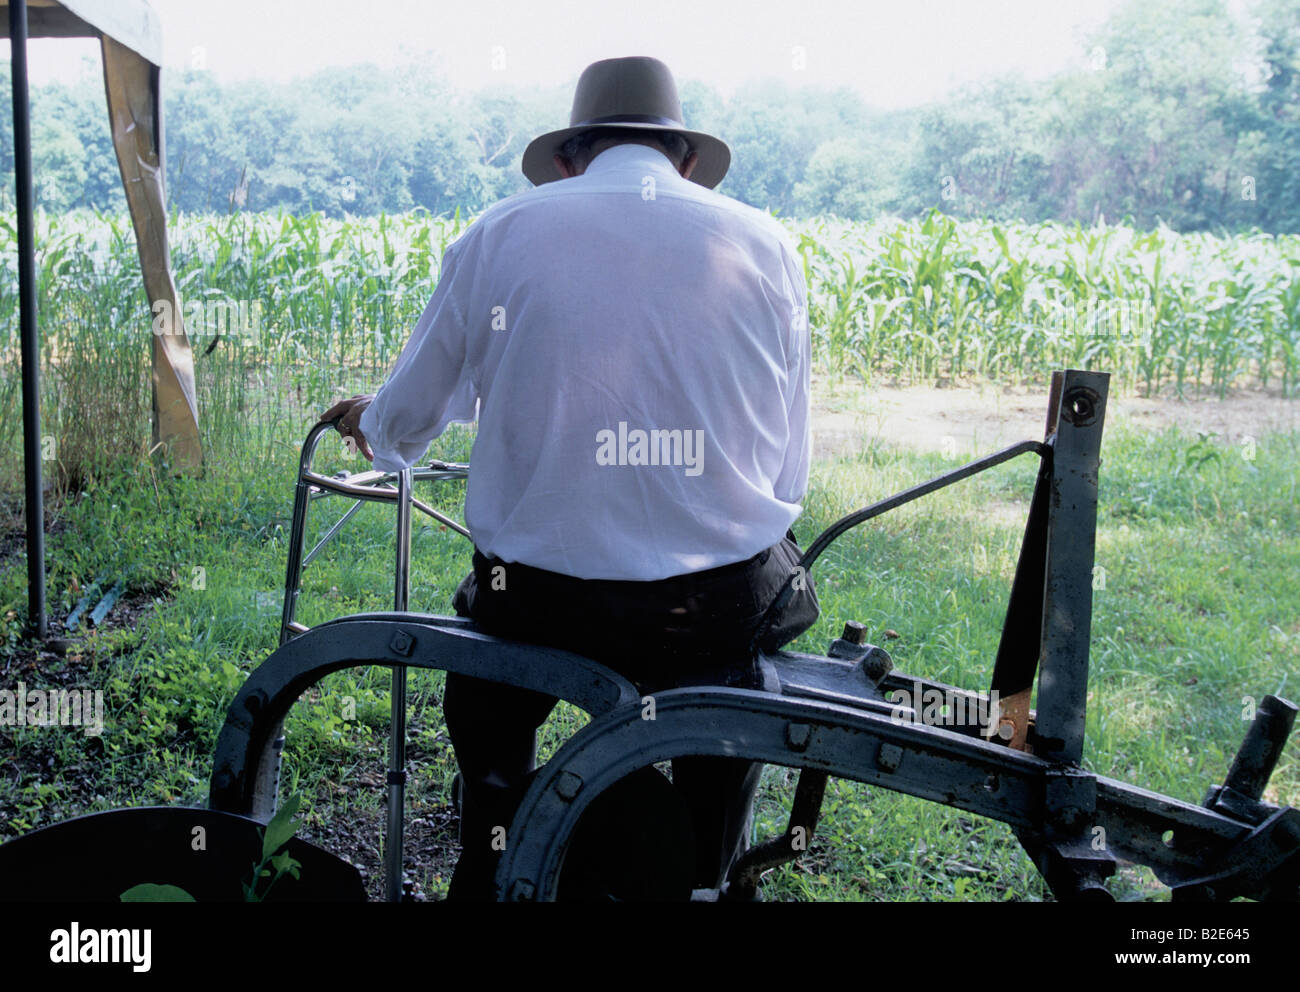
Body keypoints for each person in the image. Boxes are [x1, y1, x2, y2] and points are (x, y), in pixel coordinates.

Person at [322, 55, 818, 900]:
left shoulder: (499, 233)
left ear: (566, 156)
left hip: (540, 598)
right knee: (726, 719)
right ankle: (706, 867)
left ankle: (495, 842)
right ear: (685, 159)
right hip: (712, 603)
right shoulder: (763, 245)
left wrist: (372, 423)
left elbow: (413, 409)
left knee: (488, 705)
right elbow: (786, 460)